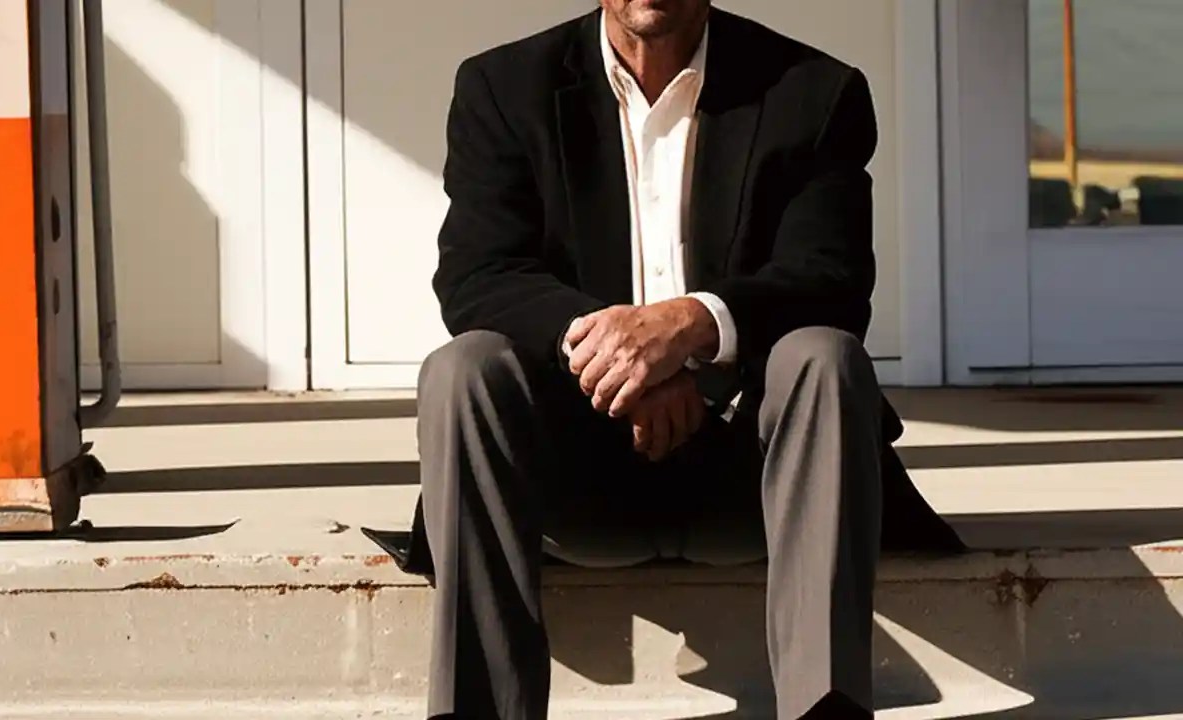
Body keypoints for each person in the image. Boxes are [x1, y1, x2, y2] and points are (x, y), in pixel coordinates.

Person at [363, 2, 964, 718]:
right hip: (572, 479)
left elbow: (829, 282)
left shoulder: (814, 91)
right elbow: (478, 277)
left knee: (823, 356)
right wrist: (621, 356)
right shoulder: (503, 86)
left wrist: (690, 329)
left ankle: (825, 708)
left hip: (754, 483)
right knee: (462, 369)